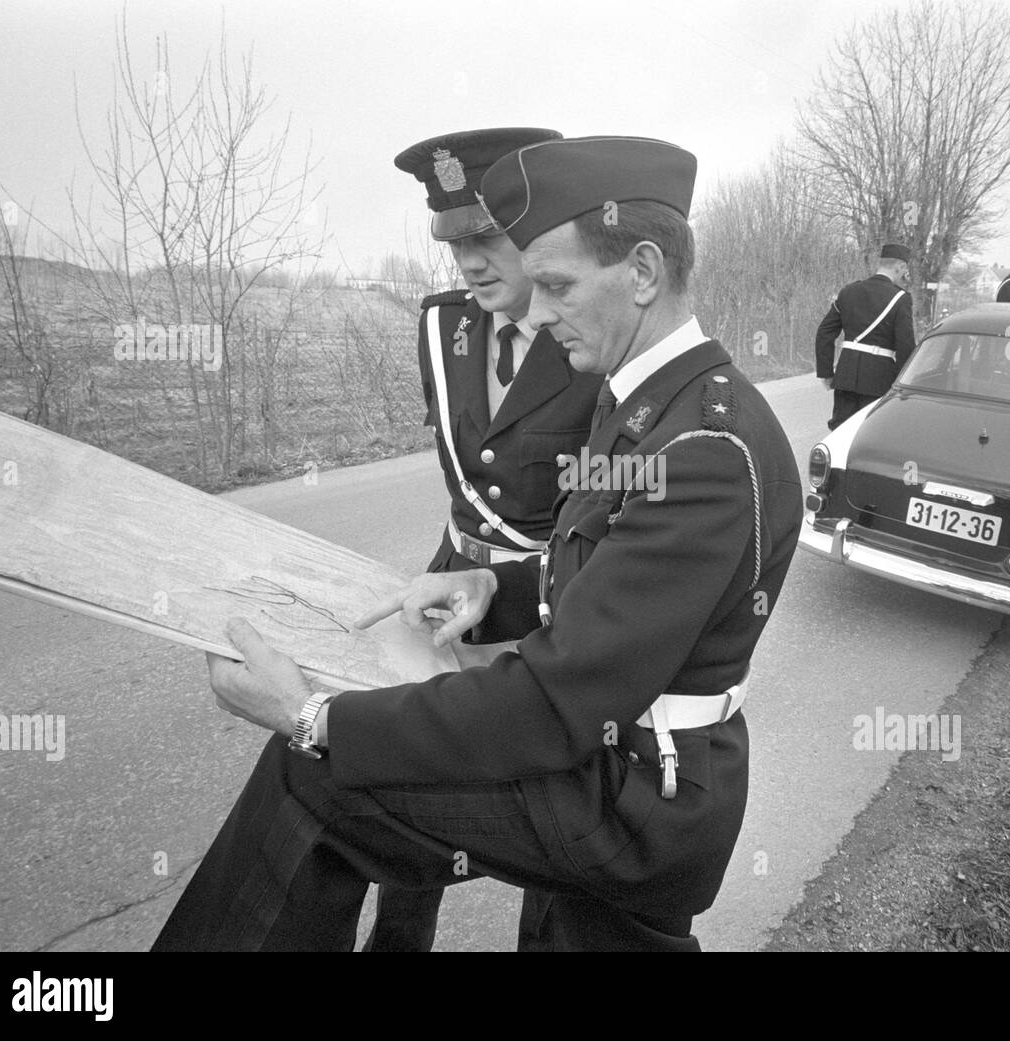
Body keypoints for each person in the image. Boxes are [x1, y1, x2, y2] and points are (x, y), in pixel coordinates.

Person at [150, 135, 803, 953]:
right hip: (626, 764)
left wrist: (313, 716)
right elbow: (610, 578)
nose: (535, 309)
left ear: (642, 272)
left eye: (558, 285)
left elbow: (551, 701)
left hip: (635, 803)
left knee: (314, 772)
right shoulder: (652, 399)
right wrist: (500, 592)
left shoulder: (701, 451)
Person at [361, 128, 602, 952]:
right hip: (452, 577)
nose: (468, 259)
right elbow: (474, 459)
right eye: (453, 239)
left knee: (550, 802)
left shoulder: (594, 342)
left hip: (547, 602)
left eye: (488, 235)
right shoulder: (440, 327)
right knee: (408, 774)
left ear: (536, 231)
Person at [814, 243, 917, 429]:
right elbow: (906, 346)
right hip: (879, 379)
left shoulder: (848, 292)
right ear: (899, 267)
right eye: (905, 269)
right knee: (870, 432)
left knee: (840, 431)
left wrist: (826, 373)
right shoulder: (901, 299)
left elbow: (825, 332)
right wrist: (900, 382)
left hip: (846, 375)